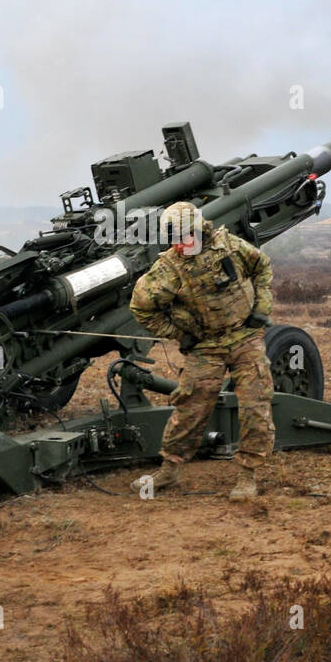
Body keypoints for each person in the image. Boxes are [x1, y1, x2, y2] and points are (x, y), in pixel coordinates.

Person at [128, 201, 275, 501]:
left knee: (255, 405)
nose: (181, 244)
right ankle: (170, 468)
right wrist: (178, 333)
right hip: (206, 346)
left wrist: (261, 308)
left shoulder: (229, 246)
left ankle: (248, 475)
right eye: (174, 238)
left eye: (185, 236)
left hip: (245, 336)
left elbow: (261, 267)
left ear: (199, 229)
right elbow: (141, 307)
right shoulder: (168, 269)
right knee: (190, 406)